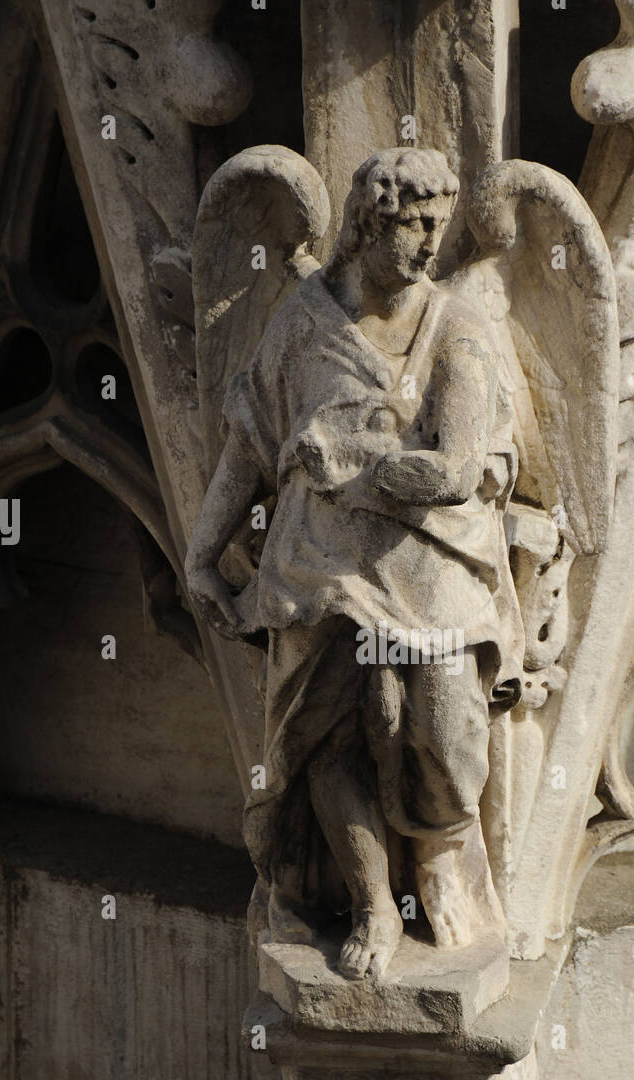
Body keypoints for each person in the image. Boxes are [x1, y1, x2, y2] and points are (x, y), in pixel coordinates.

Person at [186, 147, 524, 981]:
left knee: (446, 740)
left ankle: (441, 854)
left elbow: (465, 464)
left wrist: (376, 467)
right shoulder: (302, 322)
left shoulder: (457, 330)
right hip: (320, 572)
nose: (425, 246)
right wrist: (201, 551)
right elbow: (252, 443)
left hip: (435, 569)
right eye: (411, 226)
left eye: (436, 228)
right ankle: (372, 900)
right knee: (322, 741)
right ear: (366, 225)